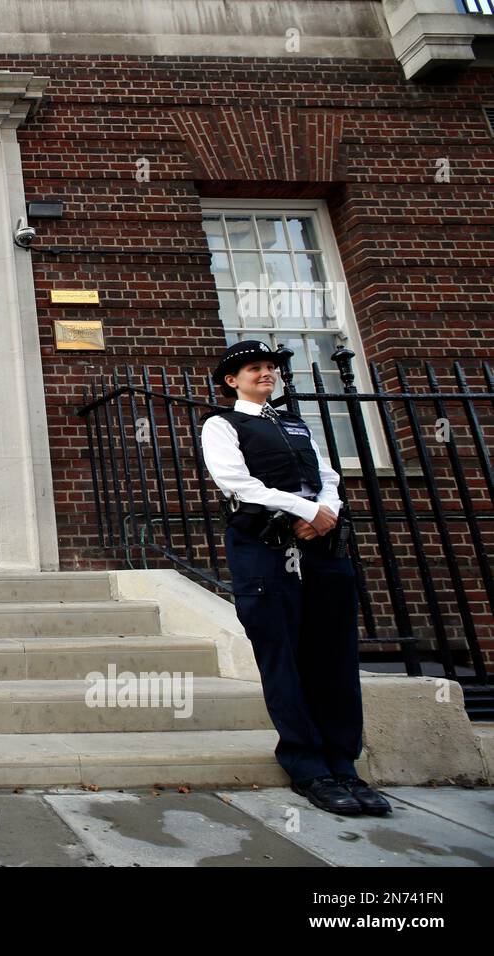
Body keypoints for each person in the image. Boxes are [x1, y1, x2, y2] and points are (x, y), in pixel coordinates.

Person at [200, 340, 391, 817]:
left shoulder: (294, 422)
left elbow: (327, 474)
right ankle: (308, 768)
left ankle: (343, 765)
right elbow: (238, 484)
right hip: (264, 549)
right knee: (282, 655)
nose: (266, 374)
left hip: (320, 547)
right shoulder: (223, 424)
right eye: (255, 368)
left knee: (333, 655)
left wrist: (325, 511)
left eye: (270, 367)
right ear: (232, 380)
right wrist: (305, 510)